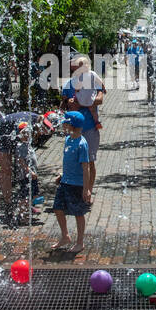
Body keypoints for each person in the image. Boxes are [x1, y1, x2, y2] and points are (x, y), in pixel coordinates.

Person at [61, 55, 105, 192]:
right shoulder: (68, 84)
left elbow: (100, 99)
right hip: (73, 130)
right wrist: (68, 103)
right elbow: (62, 105)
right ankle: (76, 188)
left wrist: (82, 103)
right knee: (73, 161)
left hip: (90, 127)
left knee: (89, 162)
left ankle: (88, 191)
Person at [53, 112, 92, 252]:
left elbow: (86, 167)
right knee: (57, 208)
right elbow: (67, 161)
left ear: (72, 125)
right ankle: (65, 236)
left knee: (78, 213)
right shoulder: (68, 139)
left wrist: (86, 188)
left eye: (66, 122)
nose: (63, 124)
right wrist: (62, 174)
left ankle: (80, 242)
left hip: (77, 184)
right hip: (65, 181)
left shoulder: (82, 144)